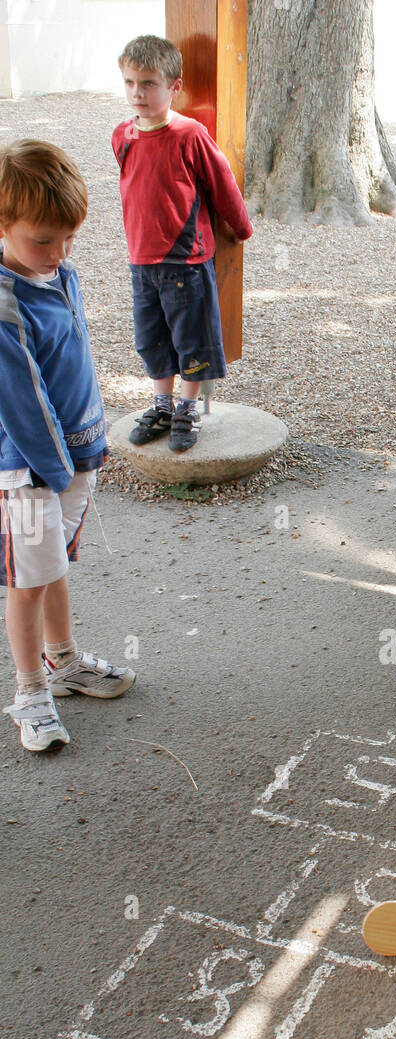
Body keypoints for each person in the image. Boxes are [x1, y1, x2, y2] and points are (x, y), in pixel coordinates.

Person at [0, 140, 135, 752]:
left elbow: (73, 364)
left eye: (68, 238)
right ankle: (30, 691)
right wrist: (59, 470)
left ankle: (64, 660)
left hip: (75, 459)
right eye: (42, 240)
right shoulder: (4, 306)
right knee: (28, 580)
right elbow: (25, 403)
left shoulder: (61, 272)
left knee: (55, 565)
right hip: (32, 474)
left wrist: (91, 448)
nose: (58, 253)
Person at [113, 35, 253, 453]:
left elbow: (221, 183)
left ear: (174, 86)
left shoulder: (190, 135)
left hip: (185, 261)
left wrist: (241, 227)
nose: (138, 92)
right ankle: (161, 404)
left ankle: (188, 409)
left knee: (191, 338)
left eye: (149, 83)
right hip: (141, 260)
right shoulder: (122, 136)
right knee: (151, 337)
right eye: (130, 82)